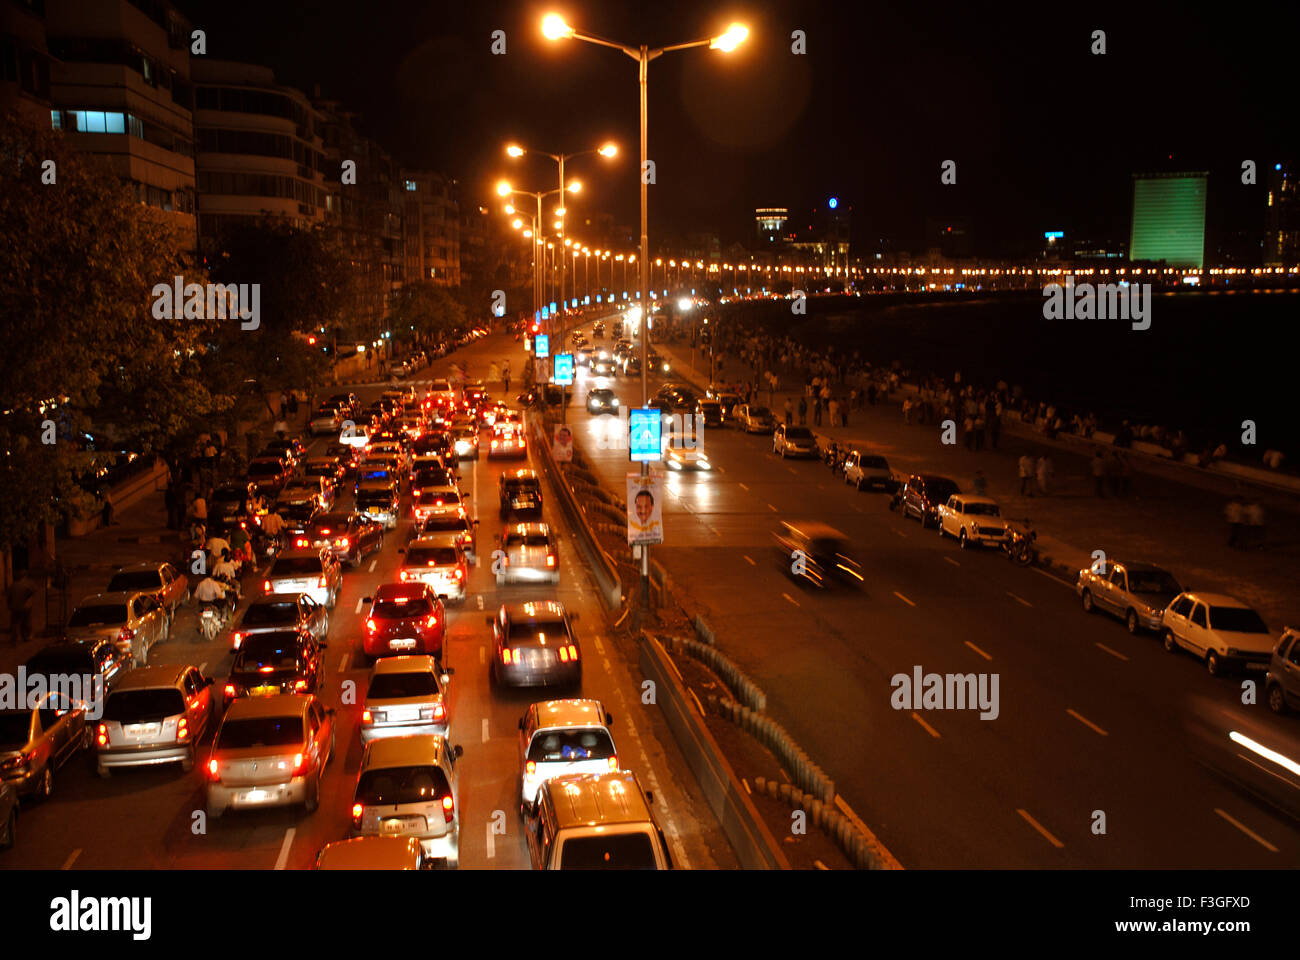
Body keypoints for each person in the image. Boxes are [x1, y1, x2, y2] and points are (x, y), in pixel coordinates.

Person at [7, 569, 37, 646]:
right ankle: (25, 636)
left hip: (15, 607)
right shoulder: (27, 585)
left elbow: (9, 597)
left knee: (14, 623)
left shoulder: (13, 585)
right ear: (24, 577)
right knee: (25, 621)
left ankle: (14, 639)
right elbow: (32, 593)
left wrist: (9, 605)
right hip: (24, 607)